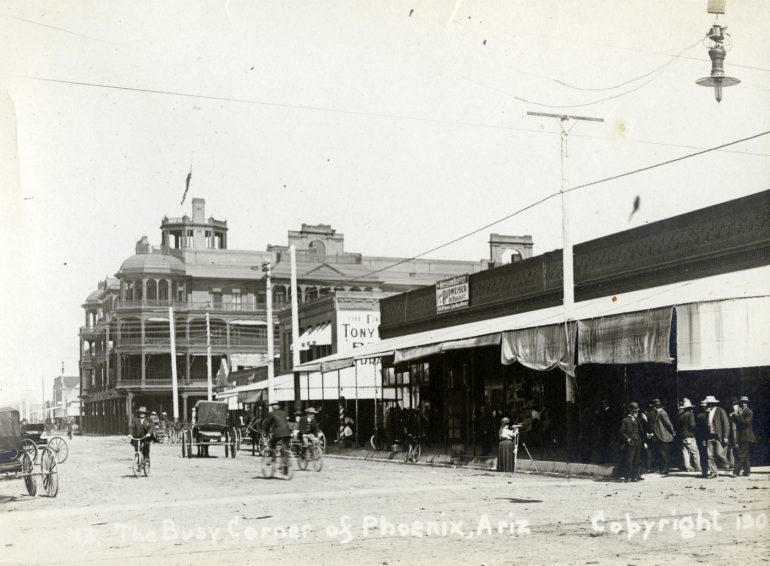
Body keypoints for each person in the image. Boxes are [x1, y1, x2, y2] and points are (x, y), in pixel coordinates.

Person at [703, 395, 729, 479]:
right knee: (710, 455)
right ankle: (713, 472)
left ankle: (727, 464)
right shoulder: (707, 412)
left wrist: (725, 436)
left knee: (719, 453)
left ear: (712, 403)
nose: (707, 404)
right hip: (709, 436)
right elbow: (705, 426)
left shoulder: (720, 411)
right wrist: (704, 438)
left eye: (708, 403)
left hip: (718, 436)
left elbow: (726, 424)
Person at [619, 402, 645, 482]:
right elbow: (621, 432)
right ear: (631, 412)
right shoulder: (625, 420)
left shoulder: (638, 420)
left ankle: (634, 477)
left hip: (638, 442)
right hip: (631, 442)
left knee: (637, 460)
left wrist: (643, 441)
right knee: (629, 460)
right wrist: (628, 439)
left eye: (637, 412)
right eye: (635, 412)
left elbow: (641, 431)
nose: (636, 413)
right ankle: (627, 477)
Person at [262, 402, 292, 470]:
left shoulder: (272, 413)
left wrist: (266, 432)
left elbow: (268, 424)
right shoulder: (284, 413)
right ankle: (286, 462)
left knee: (272, 444)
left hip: (278, 433)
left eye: (272, 406)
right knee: (286, 447)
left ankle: (273, 458)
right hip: (287, 433)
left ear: (273, 407)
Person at [731, 396, 755, 477]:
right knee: (745, 454)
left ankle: (735, 472)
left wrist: (739, 414)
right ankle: (747, 471)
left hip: (746, 436)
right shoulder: (740, 412)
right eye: (742, 403)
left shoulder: (749, 412)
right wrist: (734, 416)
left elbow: (745, 423)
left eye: (745, 403)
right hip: (742, 436)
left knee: (740, 454)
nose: (743, 404)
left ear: (747, 404)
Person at [649, 398, 675, 474]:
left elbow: (668, 423)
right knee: (662, 453)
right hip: (660, 435)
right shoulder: (658, 412)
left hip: (664, 436)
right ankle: (663, 468)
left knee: (664, 453)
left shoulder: (662, 412)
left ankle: (666, 469)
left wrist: (672, 431)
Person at [677, 398, 701, 473]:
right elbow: (692, 425)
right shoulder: (690, 414)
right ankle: (697, 466)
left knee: (685, 452)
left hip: (683, 435)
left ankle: (688, 467)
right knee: (695, 451)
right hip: (690, 435)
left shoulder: (680, 415)